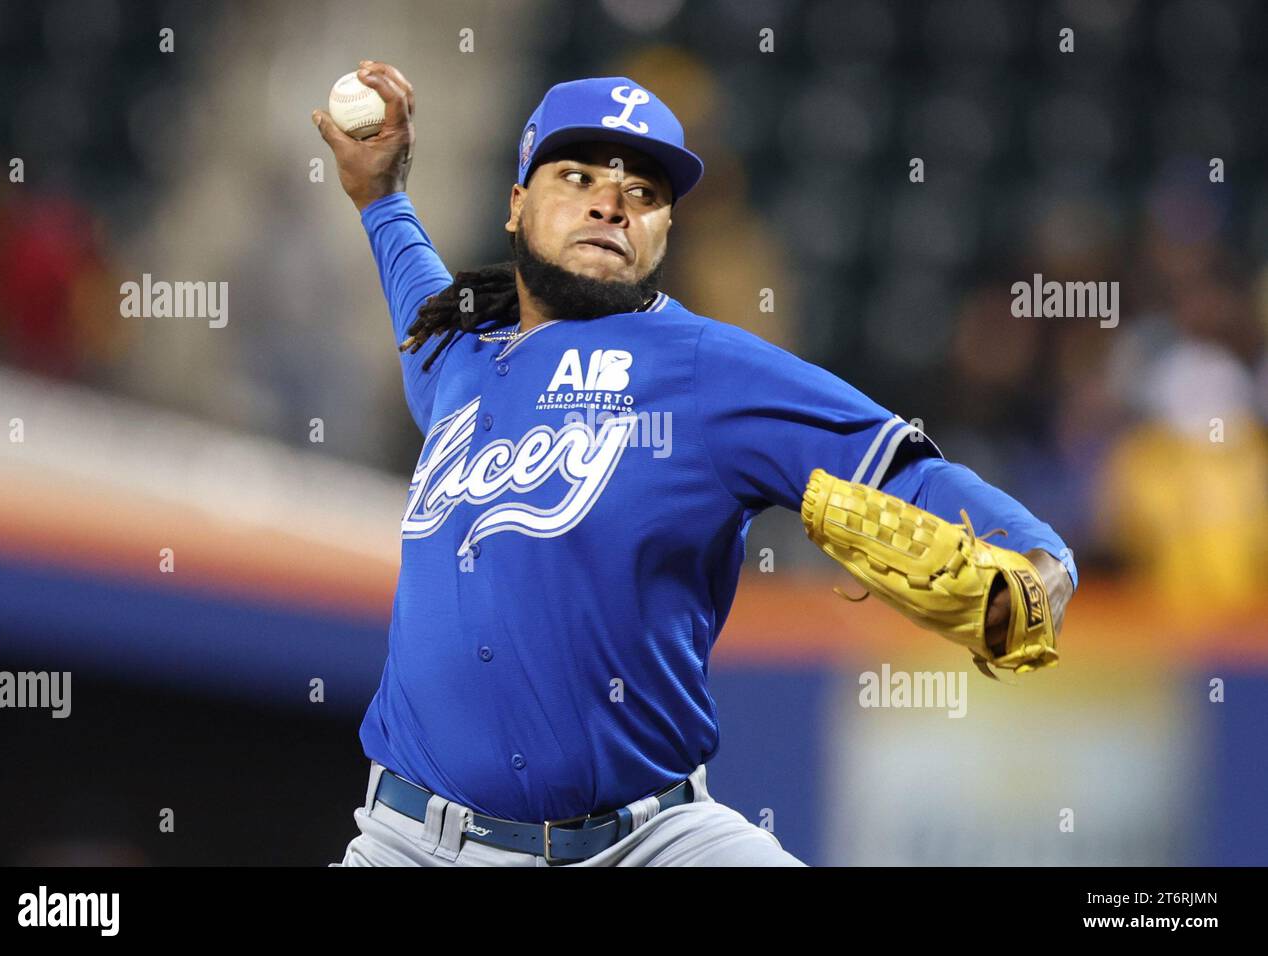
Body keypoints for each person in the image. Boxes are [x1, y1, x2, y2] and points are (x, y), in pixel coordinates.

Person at [314, 63, 1077, 867]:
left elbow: (902, 465)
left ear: (666, 231)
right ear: (516, 207)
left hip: (648, 844)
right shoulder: (455, 350)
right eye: (577, 177)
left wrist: (1043, 561)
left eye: (644, 193)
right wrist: (379, 195)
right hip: (413, 847)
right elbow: (414, 283)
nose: (612, 201)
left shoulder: (709, 370)